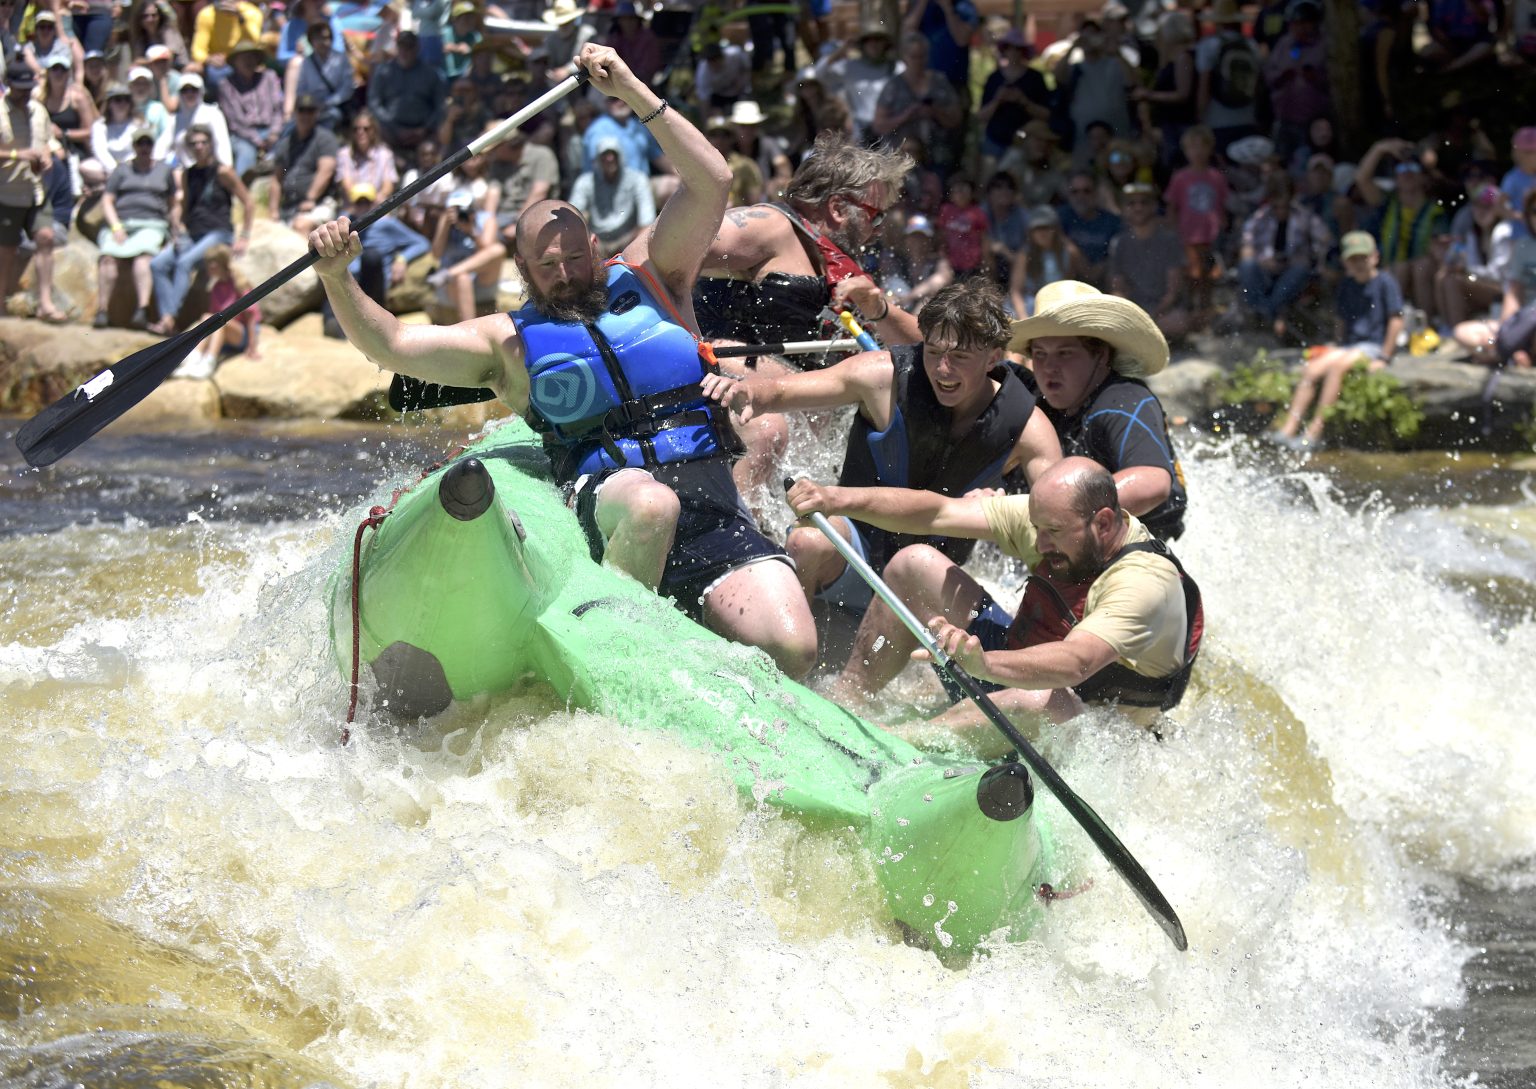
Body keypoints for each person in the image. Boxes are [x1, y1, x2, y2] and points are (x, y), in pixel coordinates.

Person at [306, 44, 817, 678]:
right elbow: (392, 344)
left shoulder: (659, 274)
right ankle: (621, 652)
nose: (568, 273)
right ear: (522, 269)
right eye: (548, 267)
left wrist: (629, 89)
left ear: (596, 244)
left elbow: (710, 179)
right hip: (614, 500)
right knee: (651, 505)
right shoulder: (507, 343)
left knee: (793, 648)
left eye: (577, 257)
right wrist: (336, 275)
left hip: (710, 497)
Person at [785, 457, 1202, 752]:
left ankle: (889, 742)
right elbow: (937, 511)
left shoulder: (1143, 583)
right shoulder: (1058, 520)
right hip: (1009, 676)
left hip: (1087, 728)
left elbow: (1077, 662)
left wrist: (984, 665)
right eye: (1037, 528)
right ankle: (846, 701)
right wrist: (836, 499)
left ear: (1105, 523)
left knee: (1040, 699)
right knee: (913, 564)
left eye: (1052, 532)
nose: (1039, 543)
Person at [704, 278, 1061, 617]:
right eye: (933, 352)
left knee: (922, 563)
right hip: (854, 553)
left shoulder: (1029, 428)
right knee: (806, 541)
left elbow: (1061, 522)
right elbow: (783, 391)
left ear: (994, 357)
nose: (942, 369)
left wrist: (1005, 512)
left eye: (961, 357)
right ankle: (793, 649)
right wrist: (750, 392)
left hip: (928, 579)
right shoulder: (881, 376)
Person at [1275, 231, 1405, 448]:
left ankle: (1315, 432)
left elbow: (1396, 320)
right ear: (1345, 262)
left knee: (1337, 367)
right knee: (1311, 369)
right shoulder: (1346, 285)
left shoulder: (1385, 282)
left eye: (1362, 258)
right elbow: (1341, 320)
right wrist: (1336, 343)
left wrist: (1384, 357)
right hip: (1349, 346)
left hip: (1373, 346)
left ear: (1374, 257)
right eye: (1353, 259)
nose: (1358, 264)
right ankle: (1288, 429)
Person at [150, 121, 252, 332]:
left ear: (210, 144)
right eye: (194, 143)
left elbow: (248, 203)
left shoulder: (223, 171)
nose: (199, 147)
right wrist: (177, 228)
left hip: (218, 232)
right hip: (194, 233)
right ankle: (168, 316)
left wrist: (244, 235)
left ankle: (168, 319)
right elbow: (186, 204)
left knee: (184, 263)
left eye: (203, 142)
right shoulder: (189, 174)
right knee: (157, 264)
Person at [95, 125, 180, 330]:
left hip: (152, 223)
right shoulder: (122, 170)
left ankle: (141, 310)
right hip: (123, 223)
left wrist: (175, 229)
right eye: (140, 143)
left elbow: (173, 203)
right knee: (107, 259)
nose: (144, 147)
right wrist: (115, 227)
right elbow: (107, 200)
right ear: (133, 146)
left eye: (148, 143)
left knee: (144, 259)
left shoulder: (164, 170)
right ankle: (102, 310)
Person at [1236, 169, 1331, 339]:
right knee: (1247, 265)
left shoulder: (1304, 216)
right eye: (1276, 205)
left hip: (1292, 273)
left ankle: (1263, 313)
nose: (1280, 210)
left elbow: (1325, 239)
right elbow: (1246, 245)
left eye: (1284, 205)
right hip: (1264, 271)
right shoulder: (1260, 217)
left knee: (1301, 269)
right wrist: (1262, 261)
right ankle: (1270, 313)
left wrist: (1310, 254)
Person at [1106, 181, 1195, 342]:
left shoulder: (1169, 240)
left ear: (1154, 206)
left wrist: (1150, 317)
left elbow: (1172, 293)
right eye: (1131, 203)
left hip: (1163, 312)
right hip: (1134, 311)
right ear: (1124, 209)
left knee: (1180, 321)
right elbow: (1117, 288)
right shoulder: (1119, 243)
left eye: (1144, 202)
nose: (1138, 207)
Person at [1163, 125, 1227, 327]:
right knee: (1191, 278)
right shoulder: (1180, 177)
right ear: (1185, 150)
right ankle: (1190, 317)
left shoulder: (1216, 177)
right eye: (1193, 147)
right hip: (1188, 236)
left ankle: (1205, 317)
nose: (1197, 152)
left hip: (1210, 237)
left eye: (1202, 147)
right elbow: (1172, 207)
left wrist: (1223, 228)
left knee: (1209, 278)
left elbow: (1222, 205)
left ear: (1210, 149)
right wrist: (1173, 233)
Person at [0, 61, 49, 315]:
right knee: (6, 249)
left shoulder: (39, 111)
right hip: (6, 192)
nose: (26, 93)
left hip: (36, 190)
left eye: (29, 88)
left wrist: (48, 156)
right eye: (20, 89)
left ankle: (46, 303)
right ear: (8, 86)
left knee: (46, 238)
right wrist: (19, 154)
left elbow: (47, 142)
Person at [173, 242, 259, 378]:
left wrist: (252, 346)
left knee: (218, 321)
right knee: (209, 317)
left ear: (220, 264)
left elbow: (252, 316)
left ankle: (208, 362)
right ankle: (194, 359)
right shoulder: (217, 287)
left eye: (211, 264)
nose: (208, 268)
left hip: (242, 334)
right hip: (225, 334)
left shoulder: (239, 283)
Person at [569, 134, 655, 257]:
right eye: (605, 155)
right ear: (597, 159)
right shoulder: (585, 182)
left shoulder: (638, 179)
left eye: (613, 154)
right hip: (596, 242)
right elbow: (571, 217)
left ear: (621, 156)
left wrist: (634, 248)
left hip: (629, 239)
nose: (610, 159)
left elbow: (647, 222)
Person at [269, 92, 338, 232]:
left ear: (316, 113)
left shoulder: (324, 139)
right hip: (289, 207)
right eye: (302, 110)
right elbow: (277, 179)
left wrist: (310, 198)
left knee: (300, 227)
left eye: (310, 111)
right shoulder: (285, 143)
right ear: (295, 113)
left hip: (319, 204)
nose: (306, 115)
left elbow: (326, 171)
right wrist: (273, 211)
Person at [1009, 206, 1088, 317]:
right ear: (1031, 232)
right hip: (1029, 306)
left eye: (1046, 227)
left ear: (1055, 229)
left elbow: (1078, 280)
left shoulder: (1069, 252)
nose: (1042, 232)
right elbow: (1016, 292)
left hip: (1057, 306)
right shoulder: (1024, 255)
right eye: (1037, 228)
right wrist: (1023, 318)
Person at [219, 40, 282, 179]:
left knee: (285, 147)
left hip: (271, 130)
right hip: (244, 135)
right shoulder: (227, 85)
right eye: (243, 58)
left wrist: (274, 132)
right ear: (235, 62)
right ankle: (241, 193)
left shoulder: (269, 77)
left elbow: (278, 108)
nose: (248, 61)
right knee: (245, 152)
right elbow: (234, 121)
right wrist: (257, 140)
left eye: (251, 57)